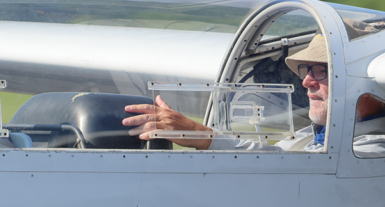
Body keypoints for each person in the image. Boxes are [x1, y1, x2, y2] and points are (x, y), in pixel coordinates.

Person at [122, 34, 385, 156]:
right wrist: (200, 136)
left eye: (322, 71)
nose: (305, 81)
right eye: (306, 70)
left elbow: (287, 172)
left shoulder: (369, 151)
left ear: (366, 84)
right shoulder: (314, 136)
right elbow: (270, 158)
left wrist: (200, 134)